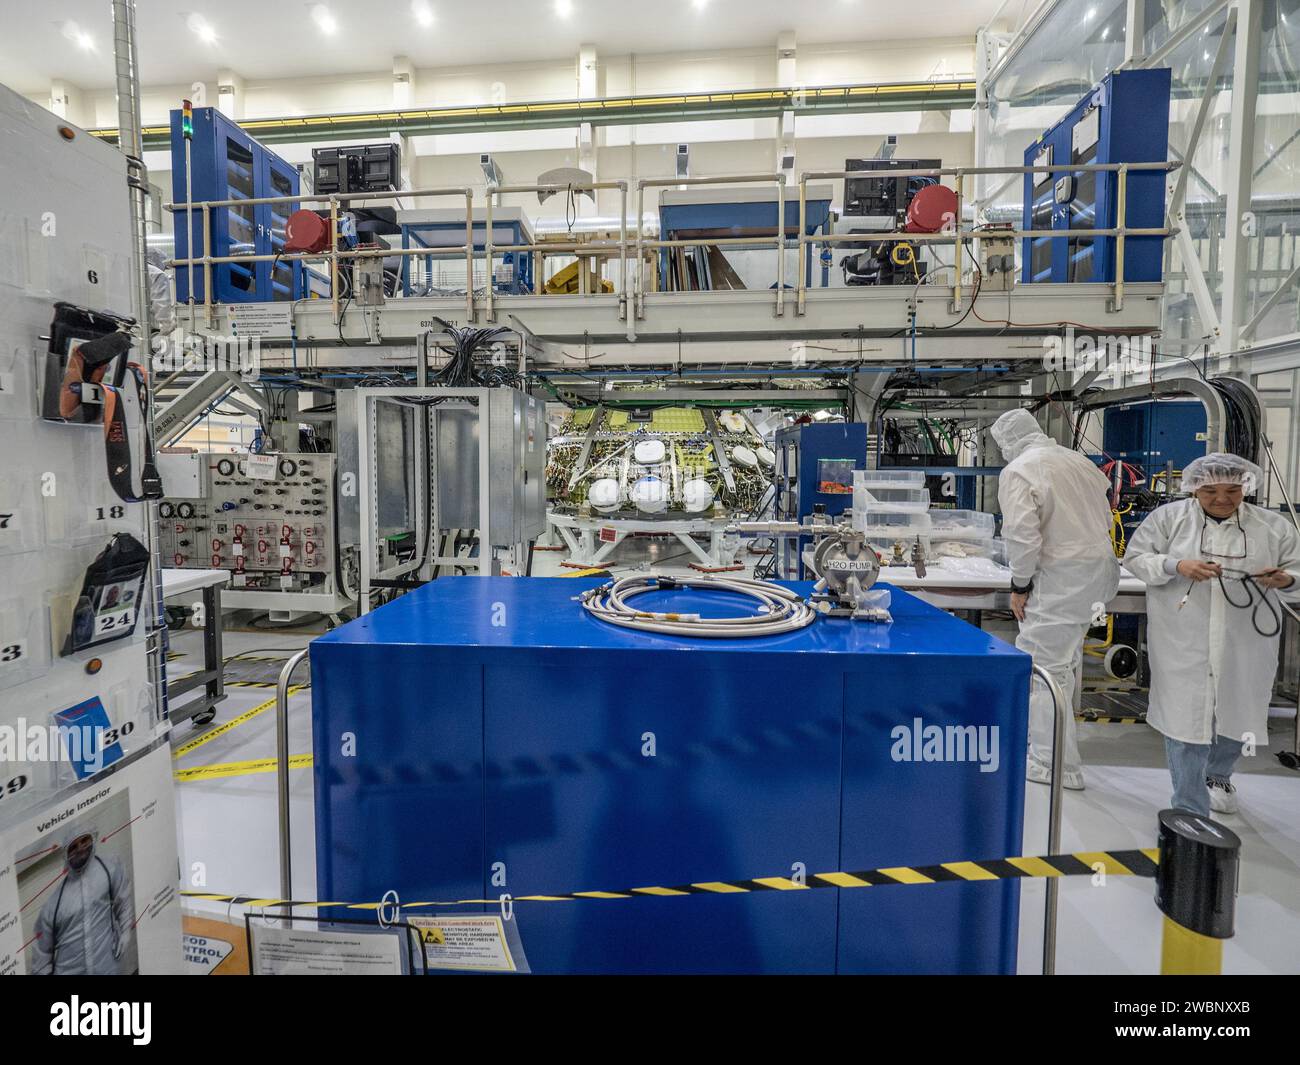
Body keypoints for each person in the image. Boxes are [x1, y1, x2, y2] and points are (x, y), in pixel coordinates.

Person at [1123, 453, 1300, 817]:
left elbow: (1297, 570)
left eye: (1232, 490)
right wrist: (1177, 565)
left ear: (1245, 487)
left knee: (1239, 710)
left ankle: (1218, 775)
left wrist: (1286, 579)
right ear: (1193, 489)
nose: (1222, 499)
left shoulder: (1272, 526)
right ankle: (1188, 805)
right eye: (1211, 491)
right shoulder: (1169, 519)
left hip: (1246, 639)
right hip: (1184, 638)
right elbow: (1136, 557)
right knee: (1185, 717)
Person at [990, 408, 1120, 790]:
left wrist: (1020, 584)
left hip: (1060, 579)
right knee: (1065, 666)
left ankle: (1054, 764)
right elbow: (1106, 514)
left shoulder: (1020, 470)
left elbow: (1022, 536)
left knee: (1043, 670)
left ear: (1007, 442)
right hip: (1097, 575)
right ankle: (1056, 749)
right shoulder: (1078, 462)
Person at [30, 826, 132, 975]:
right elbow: (42, 955)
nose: (80, 849)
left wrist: (125, 931)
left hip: (108, 968)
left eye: (84, 841)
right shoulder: (53, 905)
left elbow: (123, 902)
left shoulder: (109, 870)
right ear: (65, 853)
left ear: (92, 839)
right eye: (73, 847)